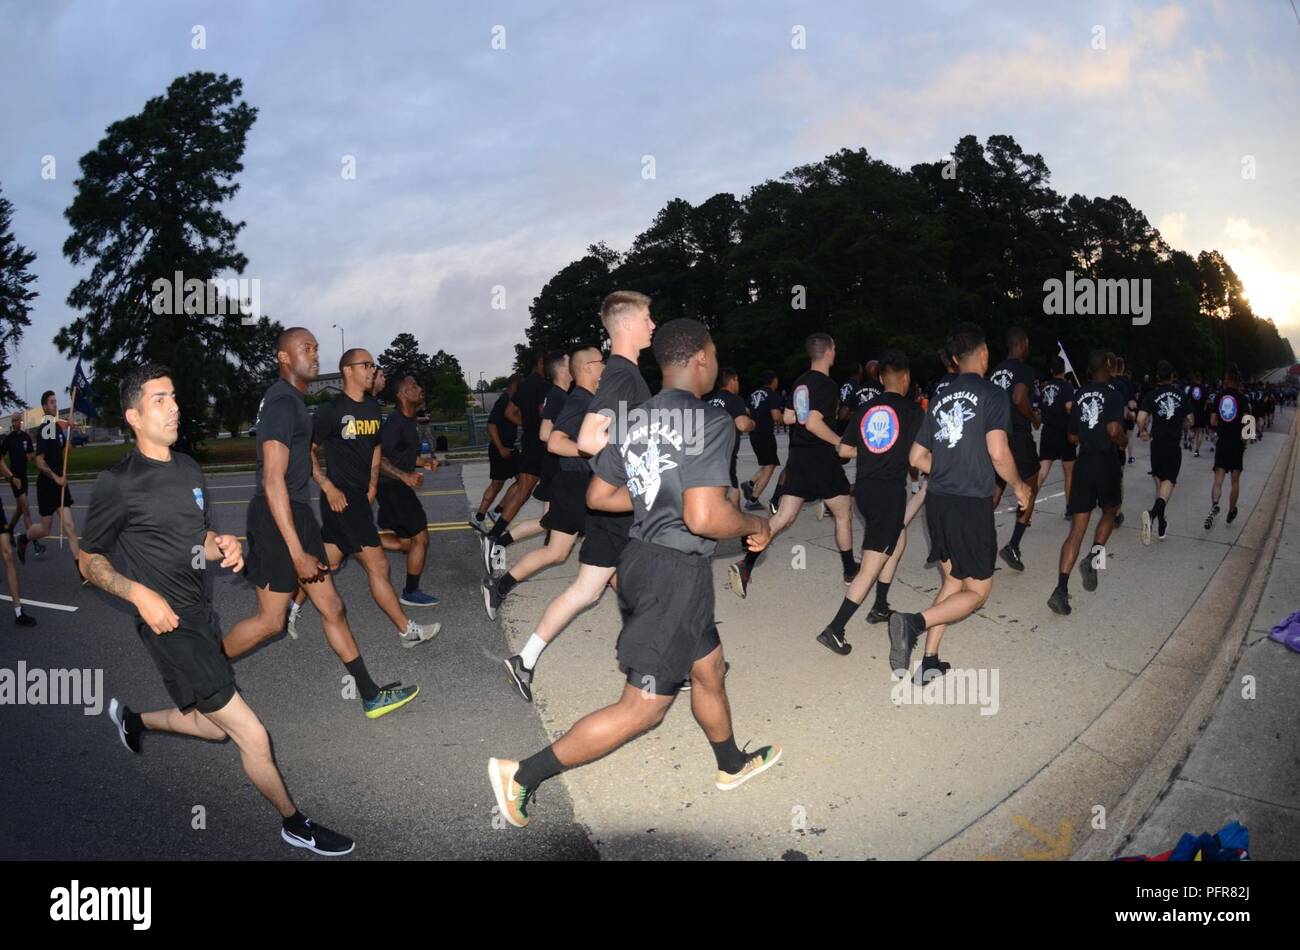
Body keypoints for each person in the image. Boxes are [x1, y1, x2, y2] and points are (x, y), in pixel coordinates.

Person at [488, 318, 779, 827]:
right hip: (673, 574)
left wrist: (654, 496)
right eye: (713, 351)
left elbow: (600, 496)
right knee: (643, 708)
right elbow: (706, 517)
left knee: (707, 666)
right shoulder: (710, 421)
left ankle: (731, 764)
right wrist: (759, 522)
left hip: (643, 560)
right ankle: (522, 774)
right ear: (702, 359)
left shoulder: (637, 417)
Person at [82, 362, 354, 855]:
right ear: (134, 417)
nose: (174, 406)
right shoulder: (117, 483)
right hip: (168, 628)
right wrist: (139, 595)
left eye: (174, 396)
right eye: (160, 399)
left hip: (202, 614)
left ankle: (134, 721)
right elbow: (89, 560)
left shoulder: (188, 469)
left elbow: (196, 540)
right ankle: (295, 823)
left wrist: (221, 545)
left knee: (212, 727)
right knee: (253, 734)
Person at [220, 328, 419, 720]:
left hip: (297, 515)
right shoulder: (281, 403)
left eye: (315, 348)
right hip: (278, 520)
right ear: (283, 357)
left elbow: (300, 464)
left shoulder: (294, 402)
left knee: (333, 607)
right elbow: (272, 480)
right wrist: (297, 554)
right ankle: (206, 667)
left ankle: (369, 695)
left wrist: (323, 488)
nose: (314, 355)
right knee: (271, 622)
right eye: (305, 349)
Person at [502, 291, 654, 703]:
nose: (653, 325)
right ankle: (670, 664)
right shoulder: (621, 374)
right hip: (618, 507)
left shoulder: (623, 373)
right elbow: (588, 438)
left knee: (592, 591)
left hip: (612, 508)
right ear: (625, 325)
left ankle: (525, 659)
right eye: (647, 317)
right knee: (656, 588)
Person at [890, 323, 1030, 680]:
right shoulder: (992, 395)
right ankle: (913, 622)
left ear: (954, 358)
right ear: (984, 355)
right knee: (978, 592)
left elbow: (917, 457)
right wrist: (1019, 486)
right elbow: (998, 453)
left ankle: (930, 661)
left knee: (953, 582)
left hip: (937, 502)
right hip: (970, 506)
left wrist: (950, 467)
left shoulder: (938, 397)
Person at [285, 349, 440, 645]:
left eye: (373, 365)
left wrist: (371, 486)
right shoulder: (330, 411)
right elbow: (306, 452)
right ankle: (407, 631)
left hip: (359, 497)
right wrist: (328, 488)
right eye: (366, 365)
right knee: (378, 566)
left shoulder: (371, 407)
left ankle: (289, 608)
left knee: (326, 563)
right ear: (347, 370)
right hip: (340, 501)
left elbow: (376, 448)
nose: (372, 370)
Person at [728, 332, 857, 598]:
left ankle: (746, 565)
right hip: (822, 458)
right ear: (830, 352)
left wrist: (807, 418)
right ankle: (849, 571)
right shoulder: (827, 385)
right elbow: (812, 422)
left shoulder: (800, 383)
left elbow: (788, 417)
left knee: (782, 518)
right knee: (844, 514)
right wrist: (839, 442)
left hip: (798, 458)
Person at [483, 345, 603, 621]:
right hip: (573, 483)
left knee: (557, 551)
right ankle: (645, 615)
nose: (604, 367)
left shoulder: (576, 397)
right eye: (601, 362)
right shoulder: (572, 399)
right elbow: (549, 435)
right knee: (605, 550)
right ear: (581, 368)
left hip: (573, 482)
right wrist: (589, 448)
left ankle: (499, 585)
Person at [815, 349, 922, 654]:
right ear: (906, 377)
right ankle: (835, 629)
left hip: (864, 491)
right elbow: (918, 456)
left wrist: (876, 451)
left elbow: (844, 451)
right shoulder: (913, 411)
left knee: (898, 541)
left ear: (880, 377)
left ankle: (881, 605)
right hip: (888, 493)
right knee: (871, 564)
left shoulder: (866, 408)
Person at [1047, 351, 1127, 616]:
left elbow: (1071, 437)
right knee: (1110, 511)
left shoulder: (1080, 395)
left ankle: (1060, 590)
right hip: (1106, 463)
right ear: (1107, 367)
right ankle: (1093, 558)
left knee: (1076, 531)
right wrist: (1122, 442)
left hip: (1083, 466)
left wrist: (1086, 435)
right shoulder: (1113, 394)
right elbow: (1115, 430)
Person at [375, 374, 441, 603]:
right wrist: (405, 477)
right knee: (420, 540)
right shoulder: (394, 423)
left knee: (405, 544)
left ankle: (355, 539)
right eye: (414, 385)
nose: (419, 388)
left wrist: (424, 462)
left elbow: (402, 455)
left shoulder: (408, 421)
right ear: (402, 394)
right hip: (392, 488)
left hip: (396, 487)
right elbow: (378, 459)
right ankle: (410, 592)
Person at [481, 351, 549, 568]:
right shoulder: (544, 386)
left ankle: (550, 540)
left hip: (532, 442)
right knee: (522, 492)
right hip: (541, 445)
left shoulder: (525, 385)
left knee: (543, 492)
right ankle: (494, 536)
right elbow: (543, 411)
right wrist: (536, 424)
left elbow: (511, 412)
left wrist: (526, 423)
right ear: (541, 362)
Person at [988, 327, 1040, 571]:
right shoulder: (1023, 370)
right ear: (1021, 345)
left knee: (995, 491)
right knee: (1029, 488)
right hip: (1018, 437)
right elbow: (1019, 398)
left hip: (995, 437)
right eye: (1027, 344)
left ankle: (976, 537)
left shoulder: (995, 371)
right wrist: (1034, 418)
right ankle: (1013, 545)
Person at [17, 390, 82, 576]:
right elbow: (39, 461)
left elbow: (66, 450)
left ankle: (82, 571)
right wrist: (57, 477)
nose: (55, 405)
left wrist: (71, 434)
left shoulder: (57, 427)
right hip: (47, 485)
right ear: (45, 407)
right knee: (45, 529)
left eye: (55, 402)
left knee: (70, 526)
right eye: (52, 402)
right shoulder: (46, 427)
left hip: (60, 484)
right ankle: (24, 538)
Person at [1137, 360, 1190, 544]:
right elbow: (1190, 419)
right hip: (1172, 444)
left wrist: (1143, 431)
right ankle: (1152, 515)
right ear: (1173, 376)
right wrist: (1183, 423)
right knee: (1169, 483)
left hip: (1156, 445)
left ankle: (1161, 525)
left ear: (1158, 376)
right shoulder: (1181, 395)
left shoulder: (1151, 395)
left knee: (1160, 487)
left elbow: (1141, 417)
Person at [471, 377, 519, 533]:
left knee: (525, 480)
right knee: (496, 485)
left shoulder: (510, 401)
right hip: (501, 449)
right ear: (515, 387)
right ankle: (479, 518)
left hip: (511, 449)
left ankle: (497, 511)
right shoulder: (503, 401)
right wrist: (501, 448)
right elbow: (491, 425)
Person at [1205, 367, 1251, 529]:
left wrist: (1222, 425)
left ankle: (1215, 504)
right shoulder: (1243, 399)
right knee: (1235, 481)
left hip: (1223, 441)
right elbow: (1248, 423)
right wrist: (1245, 441)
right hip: (1237, 443)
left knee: (1218, 479)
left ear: (1226, 380)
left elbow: (1212, 421)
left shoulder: (1219, 397)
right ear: (1237, 381)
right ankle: (1231, 511)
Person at [705, 367, 755, 508]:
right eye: (737, 380)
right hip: (724, 453)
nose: (738, 384)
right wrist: (752, 423)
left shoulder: (707, 399)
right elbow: (743, 425)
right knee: (732, 490)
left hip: (704, 453)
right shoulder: (734, 399)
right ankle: (734, 523)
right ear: (732, 380)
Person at [1036, 358, 1076, 520]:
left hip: (1048, 432)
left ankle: (1027, 502)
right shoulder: (1066, 386)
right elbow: (1069, 407)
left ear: (1051, 371)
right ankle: (1070, 508)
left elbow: (1040, 409)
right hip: (1063, 432)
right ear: (1064, 370)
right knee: (1069, 473)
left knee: (1042, 471)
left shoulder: (1045, 387)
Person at [740, 371, 782, 511]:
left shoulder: (753, 394)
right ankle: (753, 500)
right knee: (770, 467)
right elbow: (776, 416)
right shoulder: (772, 394)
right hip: (765, 433)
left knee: (766, 464)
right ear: (773, 381)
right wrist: (786, 419)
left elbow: (746, 410)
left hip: (754, 433)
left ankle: (750, 483)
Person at [2, 413, 40, 549]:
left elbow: (30, 455)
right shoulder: (8, 439)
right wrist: (10, 476)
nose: (14, 423)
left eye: (16, 420)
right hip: (15, 479)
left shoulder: (26, 437)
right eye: (13, 421)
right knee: (26, 509)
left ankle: (9, 529)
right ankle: (34, 542)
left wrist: (30, 456)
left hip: (24, 478)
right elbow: (1, 457)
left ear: (21, 421)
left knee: (19, 509)